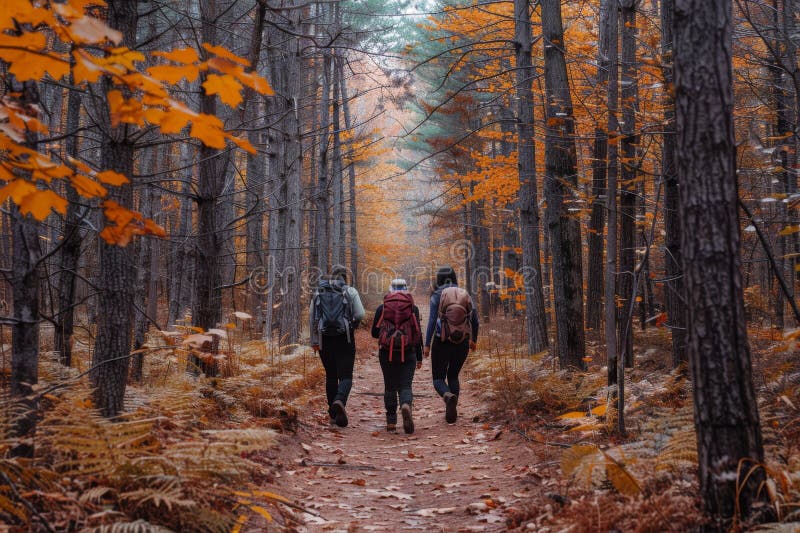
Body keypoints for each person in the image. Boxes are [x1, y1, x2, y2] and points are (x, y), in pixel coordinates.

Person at [310, 265, 365, 427]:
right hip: (345, 338)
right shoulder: (350, 291)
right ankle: (340, 400)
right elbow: (360, 314)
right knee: (346, 376)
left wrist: (314, 341)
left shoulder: (319, 291)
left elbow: (312, 317)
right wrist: (352, 324)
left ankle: (333, 414)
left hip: (324, 338)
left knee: (331, 375)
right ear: (344, 277)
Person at [423, 266, 479, 423]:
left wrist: (427, 344)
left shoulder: (436, 295)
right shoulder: (464, 294)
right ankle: (453, 407)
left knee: (438, 379)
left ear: (438, 279)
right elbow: (475, 320)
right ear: (454, 277)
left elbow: (432, 321)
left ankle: (447, 396)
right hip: (462, 342)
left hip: (441, 341)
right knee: (453, 375)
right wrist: (474, 340)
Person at [371, 279, 423, 434]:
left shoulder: (383, 307)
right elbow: (417, 334)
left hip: (386, 352)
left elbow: (374, 332)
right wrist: (419, 357)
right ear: (406, 290)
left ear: (390, 289)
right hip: (409, 351)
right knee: (405, 385)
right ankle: (405, 405)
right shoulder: (413, 308)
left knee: (389, 386)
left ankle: (391, 422)